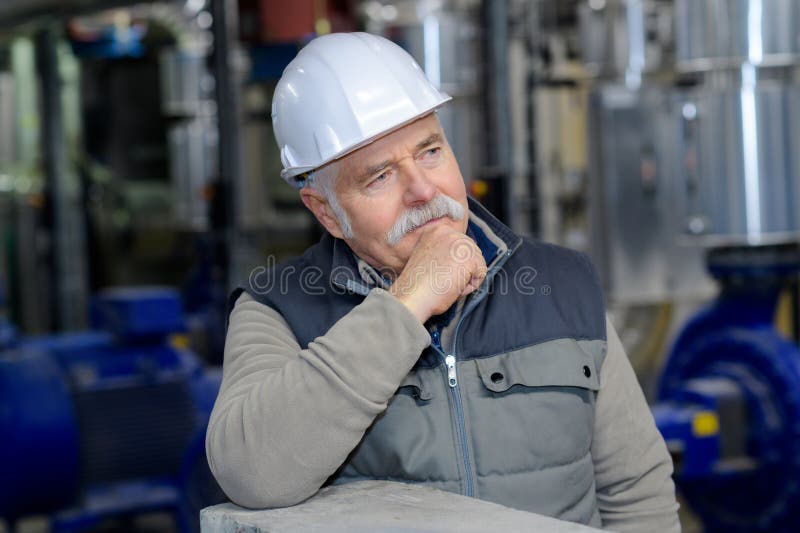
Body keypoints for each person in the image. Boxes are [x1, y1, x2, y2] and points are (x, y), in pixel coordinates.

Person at [206, 32, 680, 532]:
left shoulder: (563, 284)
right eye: (379, 176)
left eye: (430, 151)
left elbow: (636, 495)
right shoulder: (277, 309)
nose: (422, 189)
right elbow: (251, 472)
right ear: (325, 211)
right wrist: (407, 302)